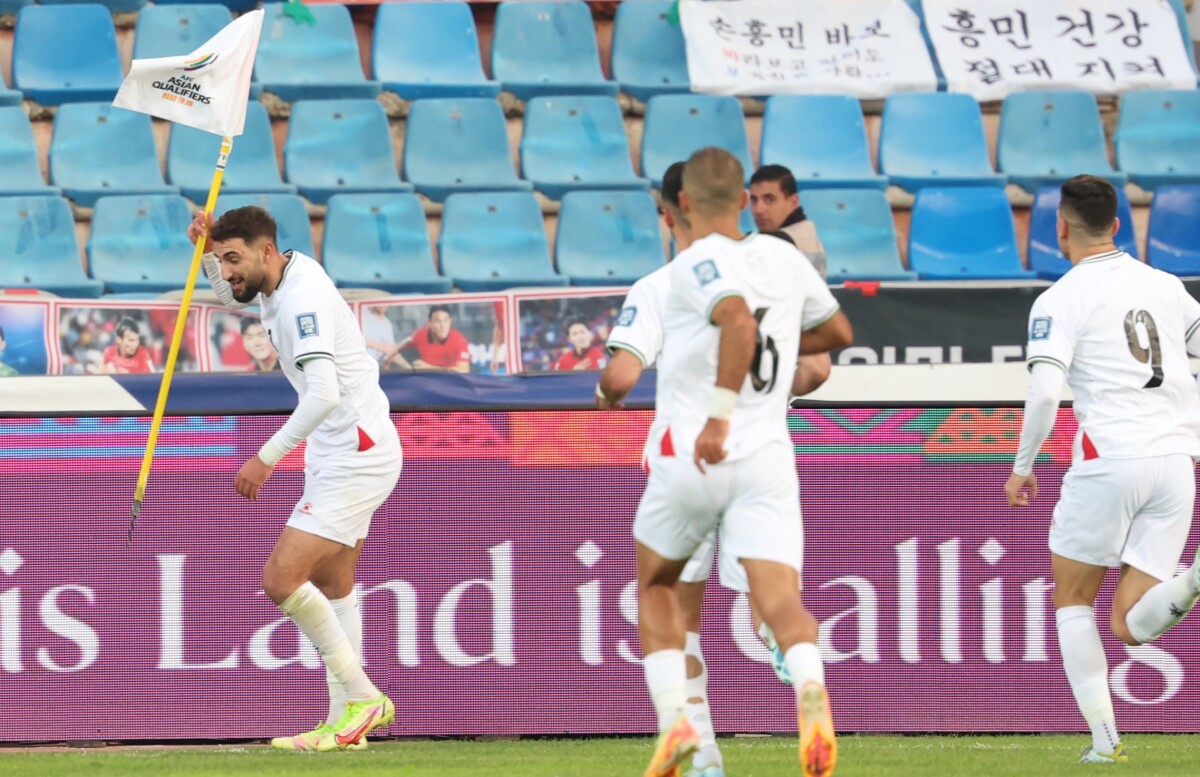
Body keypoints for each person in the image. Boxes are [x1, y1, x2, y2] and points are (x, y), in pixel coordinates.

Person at [607, 147, 851, 777]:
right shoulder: (780, 259)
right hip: (768, 451)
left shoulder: (668, 279)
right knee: (778, 598)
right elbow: (829, 349)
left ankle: (696, 745)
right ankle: (807, 684)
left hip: (691, 455)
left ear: (672, 210)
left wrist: (609, 391)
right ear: (746, 200)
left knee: (666, 599)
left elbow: (625, 371)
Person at [188, 206, 402, 752]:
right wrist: (205, 254)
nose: (227, 271)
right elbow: (232, 294)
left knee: (280, 580)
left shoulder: (302, 297)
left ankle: (362, 698)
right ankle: (346, 727)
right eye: (221, 261)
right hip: (343, 449)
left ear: (265, 251)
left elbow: (324, 393)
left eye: (232, 259)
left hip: (356, 453)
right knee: (334, 586)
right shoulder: (276, 276)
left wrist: (267, 456)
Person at [1005, 175, 1200, 765]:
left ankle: (1104, 740)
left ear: (1059, 227)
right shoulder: (1167, 285)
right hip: (1174, 462)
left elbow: (1044, 395)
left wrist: (1023, 466)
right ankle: (1194, 578)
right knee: (1130, 624)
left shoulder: (1059, 298)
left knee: (1073, 600)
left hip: (1109, 458)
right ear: (1118, 225)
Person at [749, 165, 828, 279]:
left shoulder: (779, 242)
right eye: (754, 200)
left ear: (793, 201)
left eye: (769, 200)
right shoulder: (807, 232)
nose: (758, 210)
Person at [394, 305, 471, 373]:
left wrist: (429, 368)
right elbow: (408, 341)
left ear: (450, 321)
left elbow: (463, 370)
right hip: (427, 383)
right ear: (429, 323)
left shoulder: (459, 341)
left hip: (451, 383)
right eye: (438, 321)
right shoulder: (420, 335)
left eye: (446, 321)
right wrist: (390, 356)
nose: (443, 326)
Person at [361, 305, 401, 370]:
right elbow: (357, 338)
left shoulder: (387, 323)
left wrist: (409, 367)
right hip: (357, 364)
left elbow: (391, 350)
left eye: (385, 303)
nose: (383, 305)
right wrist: (381, 346)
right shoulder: (362, 312)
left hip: (372, 367)